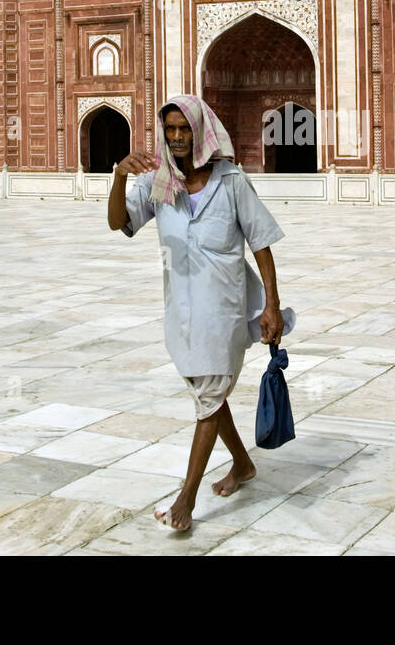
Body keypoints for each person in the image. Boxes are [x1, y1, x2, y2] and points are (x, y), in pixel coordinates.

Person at [107, 95, 290, 532]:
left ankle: (185, 499)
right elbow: (119, 223)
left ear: (201, 131)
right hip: (181, 308)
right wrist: (117, 176)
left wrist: (272, 304)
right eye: (169, 130)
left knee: (208, 398)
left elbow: (260, 243)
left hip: (224, 309)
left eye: (183, 129)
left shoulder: (231, 183)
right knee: (208, 393)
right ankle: (243, 465)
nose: (176, 138)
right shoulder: (160, 182)